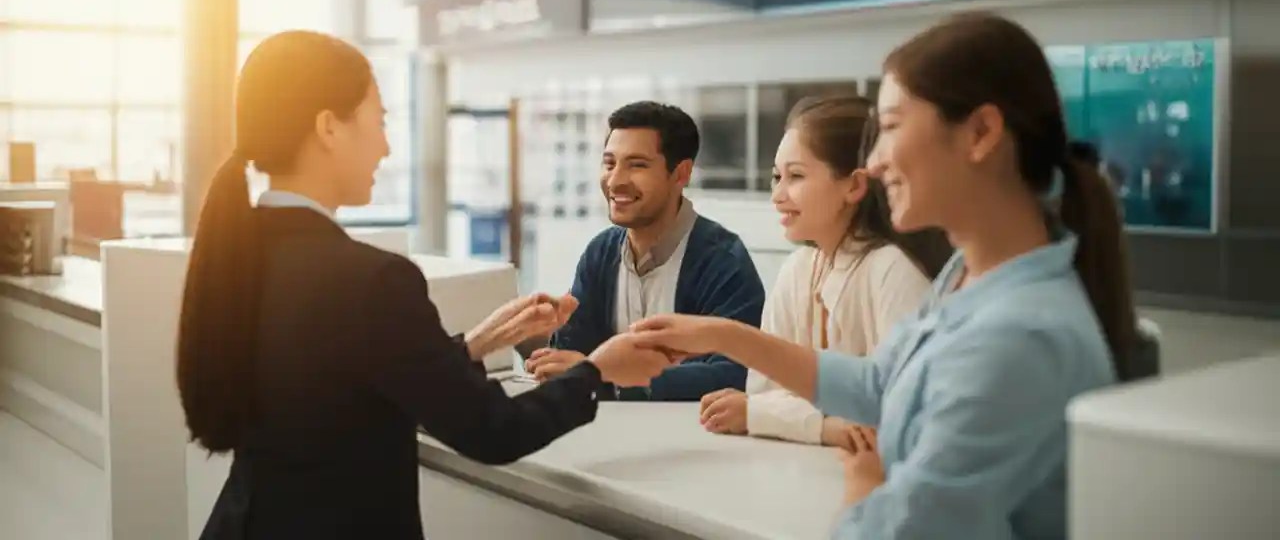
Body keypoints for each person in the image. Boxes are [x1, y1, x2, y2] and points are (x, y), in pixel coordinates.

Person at [630, 13, 1135, 539]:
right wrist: (719, 335)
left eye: (891, 127)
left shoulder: (1018, 338)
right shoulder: (969, 278)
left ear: (981, 133)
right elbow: (879, 384)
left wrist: (866, 487)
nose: (872, 162)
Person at [177, 31, 672, 540]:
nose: (386, 146)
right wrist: (598, 371)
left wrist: (478, 344)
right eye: (378, 122)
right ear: (328, 127)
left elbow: (337, 387)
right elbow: (492, 430)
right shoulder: (370, 280)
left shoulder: (239, 256)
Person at [698, 95, 932, 447]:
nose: (777, 194)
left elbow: (899, 415)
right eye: (776, 176)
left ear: (854, 185)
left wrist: (774, 417)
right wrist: (827, 427)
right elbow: (762, 391)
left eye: (795, 176)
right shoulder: (798, 269)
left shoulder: (893, 271)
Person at [525, 101, 766, 401]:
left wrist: (606, 374)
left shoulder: (723, 261)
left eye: (637, 165)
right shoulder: (600, 253)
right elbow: (571, 353)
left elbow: (736, 371)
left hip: (694, 436)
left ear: (680, 174)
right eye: (610, 163)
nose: (615, 180)